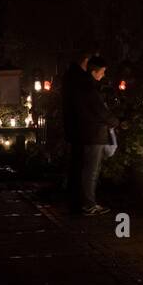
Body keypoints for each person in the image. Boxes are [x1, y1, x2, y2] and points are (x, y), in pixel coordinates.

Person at [76, 56, 117, 215]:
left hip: (88, 133)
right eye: (102, 72)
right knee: (92, 170)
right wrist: (114, 121)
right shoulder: (90, 89)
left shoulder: (84, 86)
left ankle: (86, 202)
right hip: (94, 134)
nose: (103, 75)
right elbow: (100, 111)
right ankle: (89, 205)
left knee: (88, 169)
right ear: (94, 71)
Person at [61, 51, 91, 212]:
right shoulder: (79, 77)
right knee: (79, 164)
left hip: (73, 125)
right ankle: (78, 199)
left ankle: (74, 196)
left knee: (76, 163)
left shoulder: (70, 75)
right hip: (79, 126)